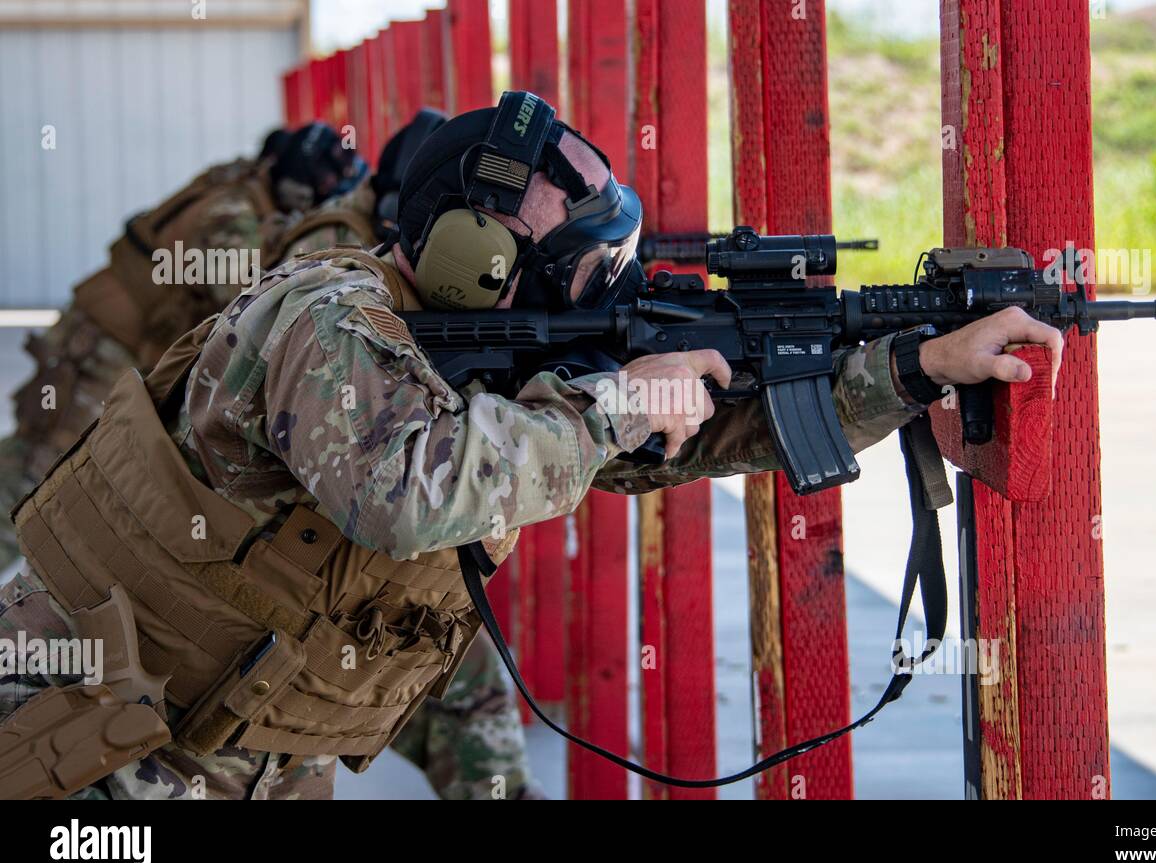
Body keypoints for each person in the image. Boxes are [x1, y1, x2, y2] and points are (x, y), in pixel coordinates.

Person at [0, 92, 1063, 799]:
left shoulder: (466, 350)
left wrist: (913, 367)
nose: (596, 291)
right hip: (91, 727)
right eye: (571, 262)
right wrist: (608, 403)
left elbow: (677, 444)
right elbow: (404, 492)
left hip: (234, 732)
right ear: (470, 253)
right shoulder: (327, 312)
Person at [275, 107, 545, 800]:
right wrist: (609, 412)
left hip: (317, 588)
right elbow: (398, 494)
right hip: (265, 597)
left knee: (465, 677)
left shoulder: (401, 274)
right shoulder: (334, 276)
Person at [0, 123, 364, 568]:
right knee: (38, 465)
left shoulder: (244, 187)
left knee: (42, 460)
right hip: (99, 349)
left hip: (110, 342)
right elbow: (242, 294)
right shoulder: (232, 210)